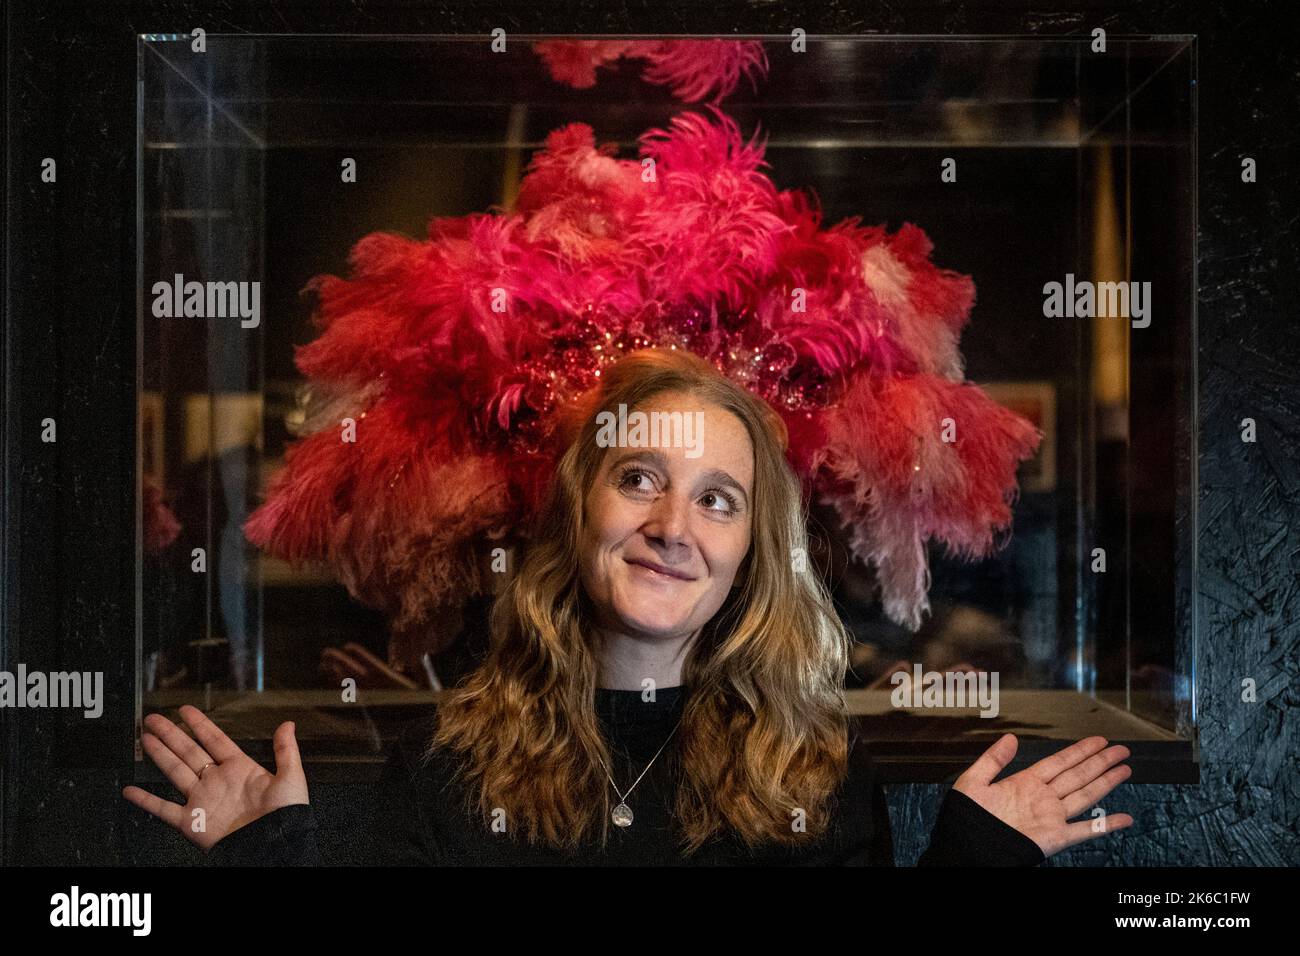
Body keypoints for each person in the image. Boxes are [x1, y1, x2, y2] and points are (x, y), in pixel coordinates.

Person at [123, 349, 1134, 865]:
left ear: (747, 554)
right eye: (639, 477)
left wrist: (969, 869)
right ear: (577, 510)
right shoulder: (443, 759)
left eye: (718, 498)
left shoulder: (814, 769)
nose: (673, 524)